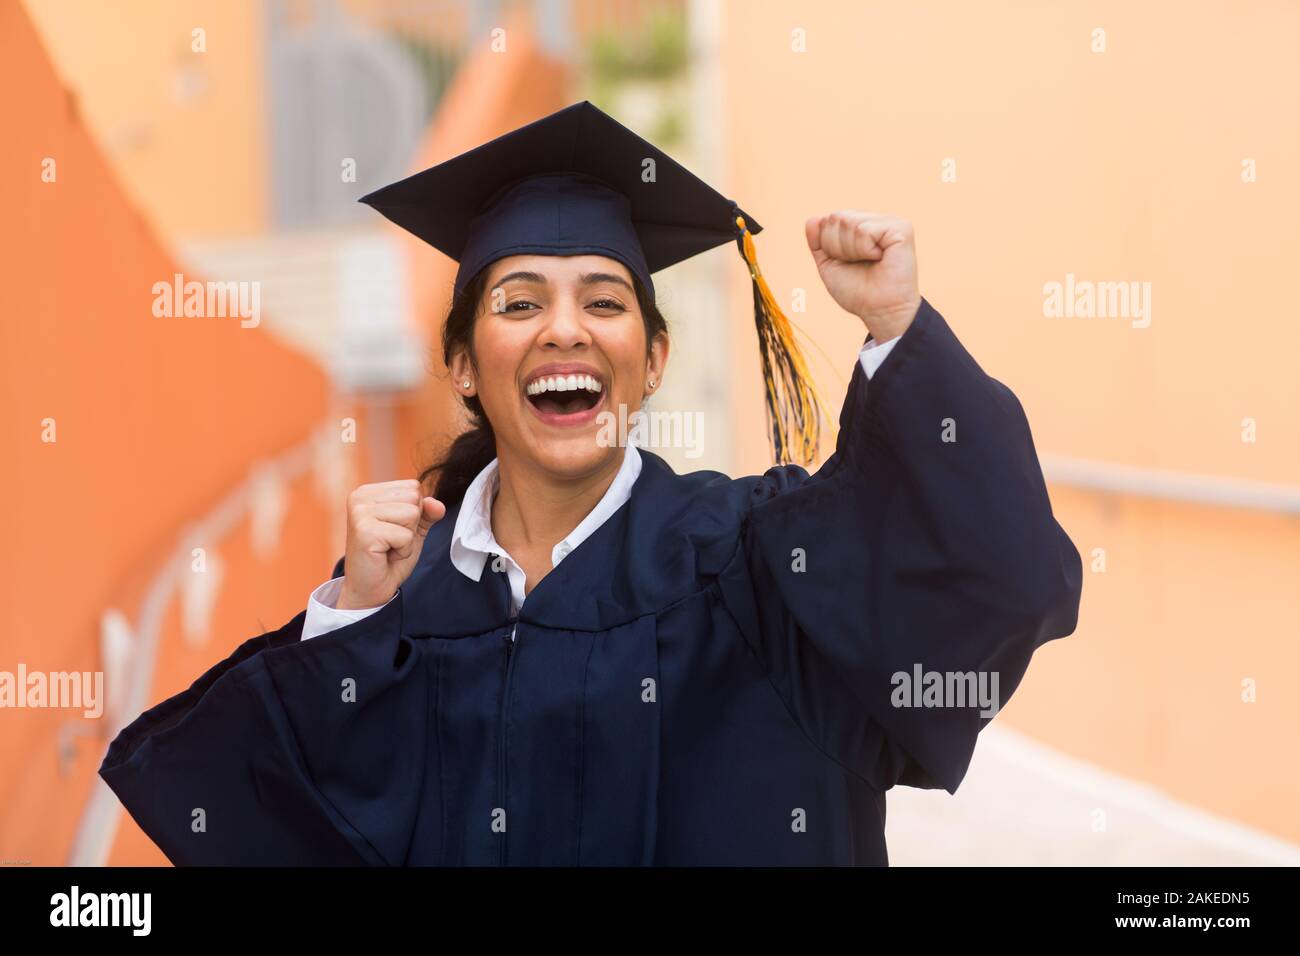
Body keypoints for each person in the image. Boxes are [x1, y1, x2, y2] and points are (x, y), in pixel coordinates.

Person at [99, 101, 1082, 866]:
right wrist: (348, 622)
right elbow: (280, 830)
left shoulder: (758, 561)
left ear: (650, 359)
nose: (564, 328)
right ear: (463, 368)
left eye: (603, 301)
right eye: (519, 302)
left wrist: (897, 329)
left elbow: (999, 574)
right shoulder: (399, 608)